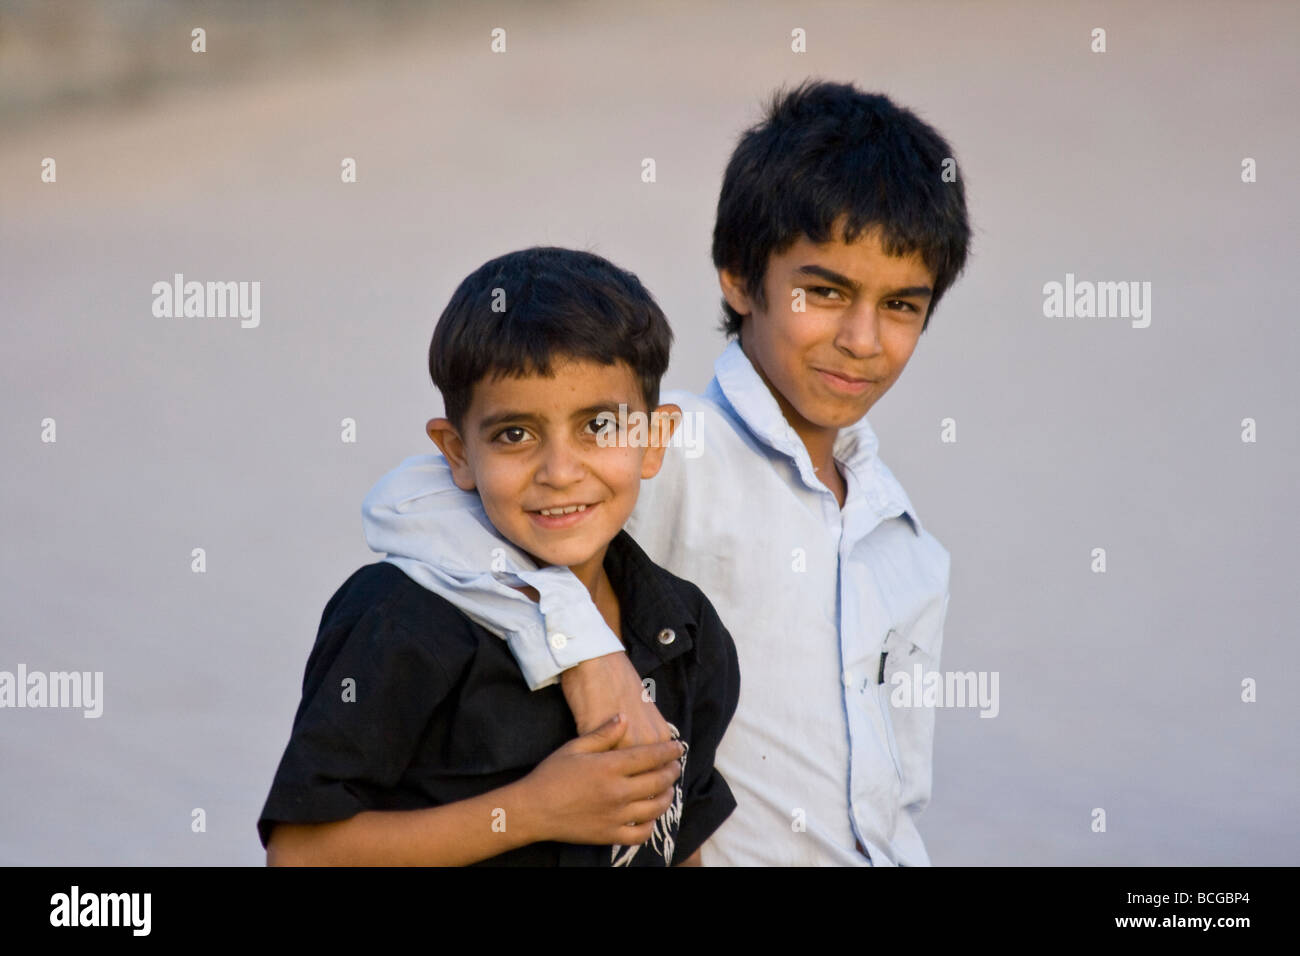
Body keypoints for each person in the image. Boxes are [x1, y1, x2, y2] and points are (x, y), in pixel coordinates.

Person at [361, 79, 971, 865]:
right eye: (824, 292)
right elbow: (414, 501)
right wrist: (588, 652)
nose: (862, 338)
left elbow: (892, 797)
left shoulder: (908, 546)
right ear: (740, 278)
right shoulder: (661, 450)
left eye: (902, 307)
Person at [257, 246, 741, 866]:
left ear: (653, 440)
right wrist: (531, 811)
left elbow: (679, 842)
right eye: (515, 434)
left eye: (599, 426)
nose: (560, 472)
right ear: (456, 452)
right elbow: (300, 857)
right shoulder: (399, 618)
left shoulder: (686, 629)